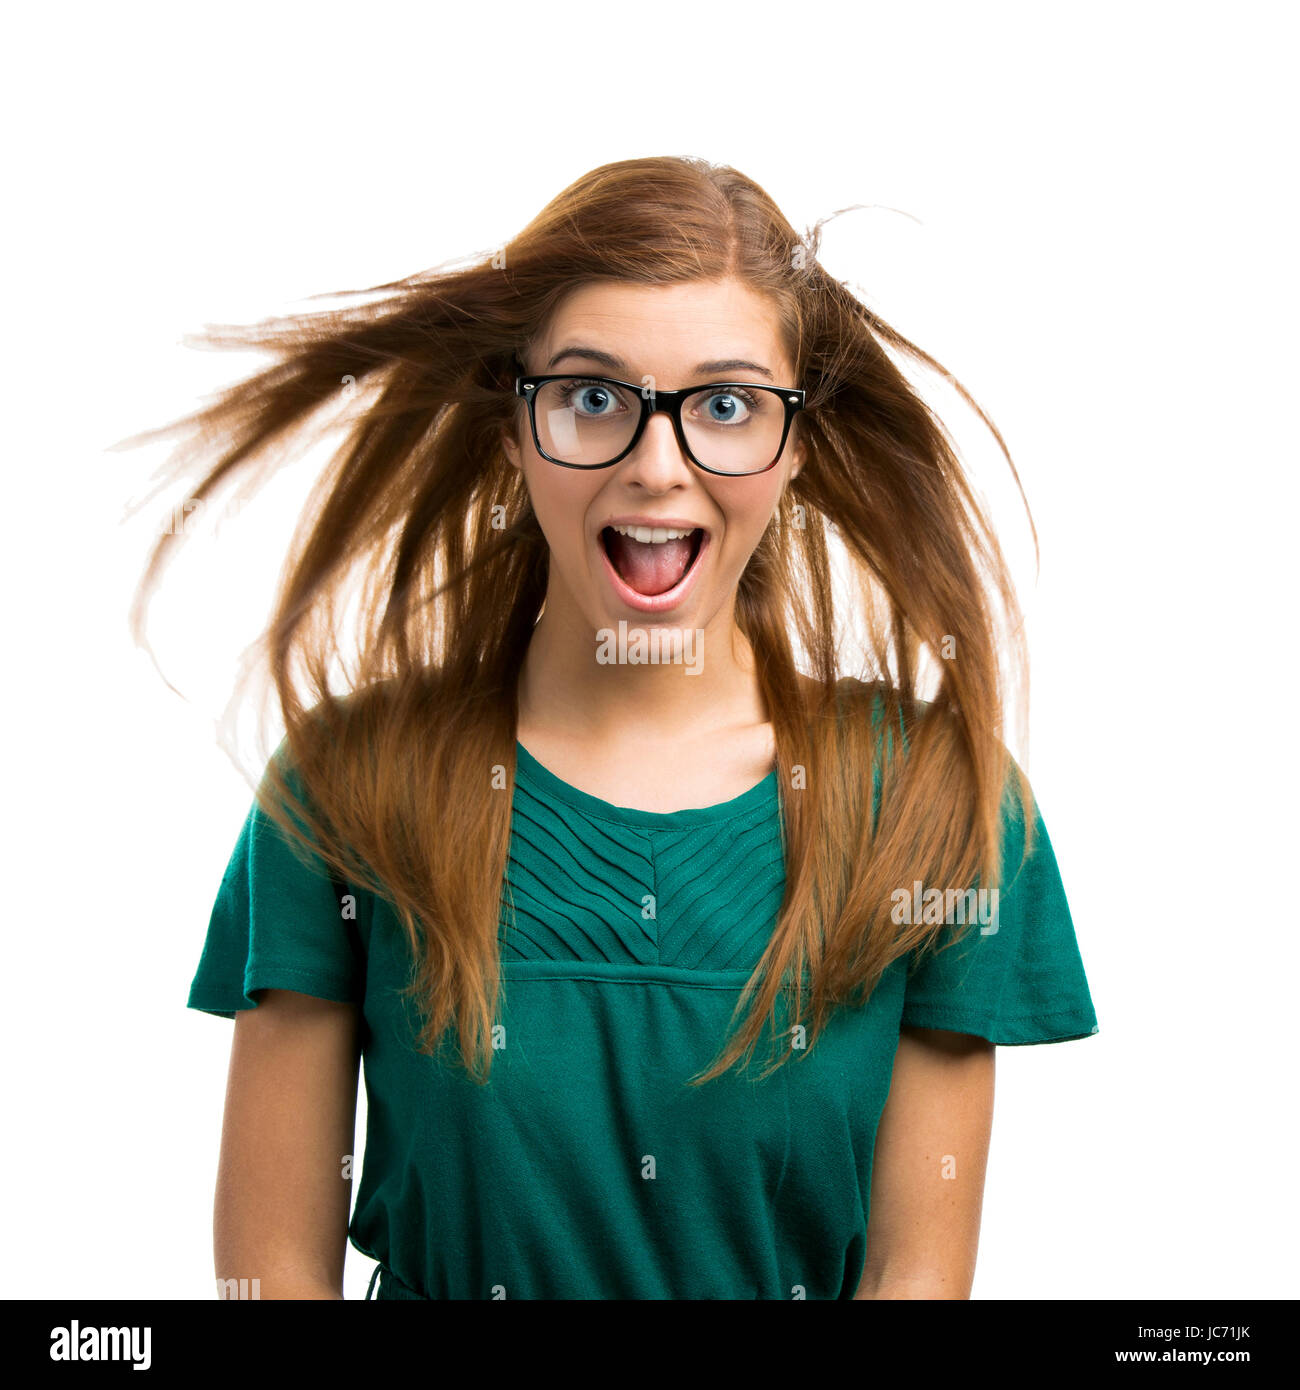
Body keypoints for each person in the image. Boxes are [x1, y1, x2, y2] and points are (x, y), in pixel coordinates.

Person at [133, 155, 1098, 1300]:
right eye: (593, 396)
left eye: (725, 406)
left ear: (793, 445)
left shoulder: (936, 809)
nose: (655, 467)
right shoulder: (344, 791)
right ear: (514, 428)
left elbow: (913, 1280)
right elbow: (272, 1282)